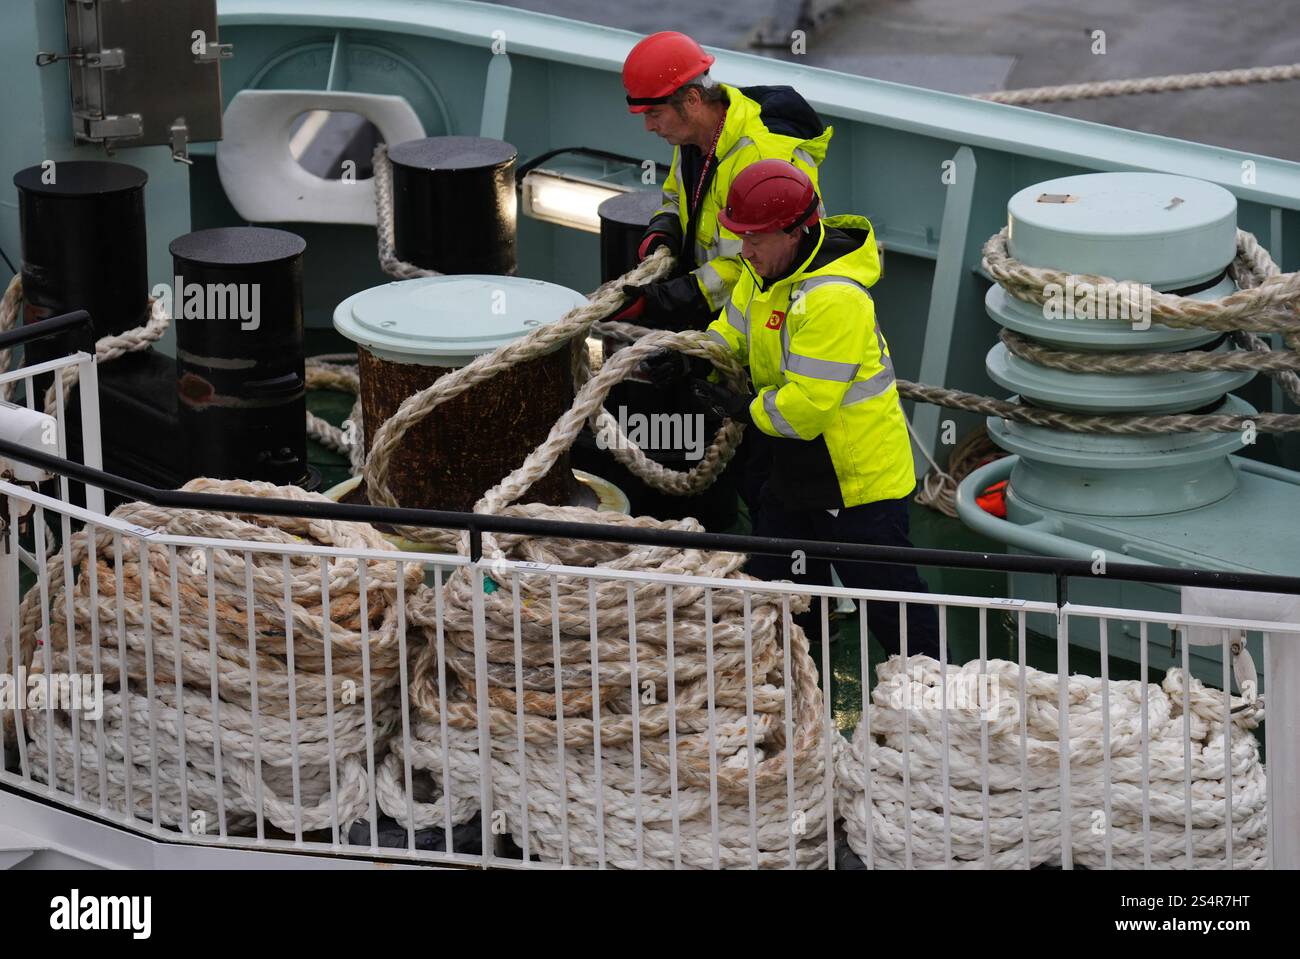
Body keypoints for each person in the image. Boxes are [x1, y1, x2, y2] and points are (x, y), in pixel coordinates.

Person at [692, 158, 941, 659]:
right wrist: (696, 358)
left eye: (755, 239)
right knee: (771, 592)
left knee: (893, 609)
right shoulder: (763, 274)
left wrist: (739, 408)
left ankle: (938, 702)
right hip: (797, 476)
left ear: (793, 232)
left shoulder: (834, 300)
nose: (745, 250)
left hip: (856, 486)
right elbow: (733, 332)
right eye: (742, 238)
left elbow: (805, 409)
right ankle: (792, 688)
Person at [610, 31, 833, 333]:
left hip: (765, 319)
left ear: (691, 99)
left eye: (654, 113)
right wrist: (663, 232)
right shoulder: (694, 137)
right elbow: (676, 198)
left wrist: (663, 300)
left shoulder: (760, 156)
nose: (649, 126)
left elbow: (752, 262)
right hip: (717, 313)